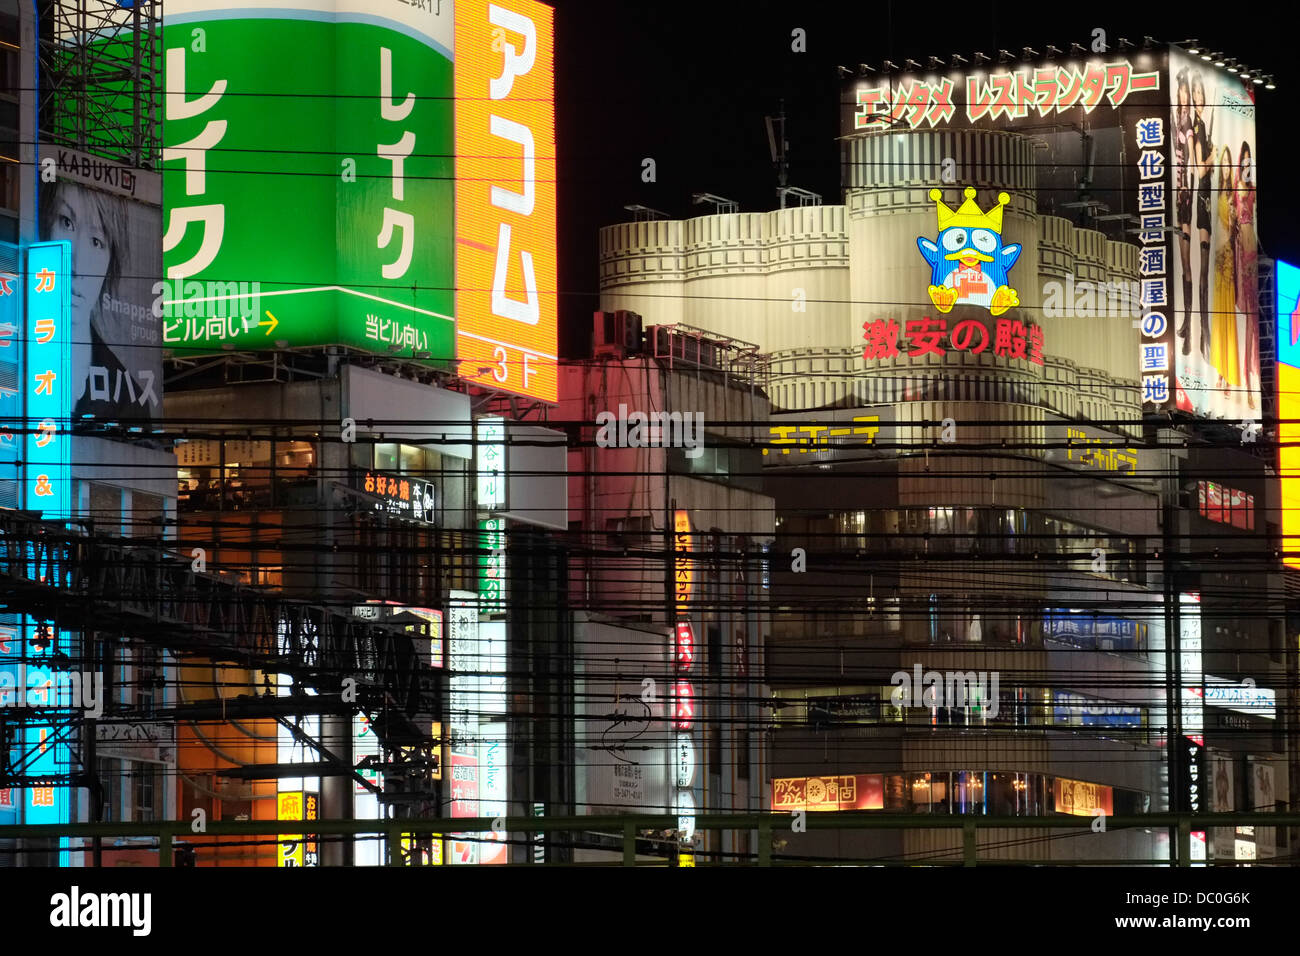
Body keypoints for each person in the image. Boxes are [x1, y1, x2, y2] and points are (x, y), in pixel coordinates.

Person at [38, 180, 149, 423]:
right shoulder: (10, 346)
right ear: (42, 223)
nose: (77, 265)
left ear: (110, 263)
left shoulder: (130, 402)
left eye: (96, 241)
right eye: (66, 222)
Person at [1210, 146, 1240, 396]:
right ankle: (1220, 370)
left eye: (1230, 163)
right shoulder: (1217, 191)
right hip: (1217, 257)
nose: (1228, 166)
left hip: (1229, 257)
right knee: (1219, 315)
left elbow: (1234, 229)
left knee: (1228, 314)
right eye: (1225, 162)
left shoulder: (1233, 195)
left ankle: (1230, 376)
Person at [1191, 73, 1214, 363]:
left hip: (1207, 198)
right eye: (1194, 93)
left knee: (1205, 268)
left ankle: (1205, 329)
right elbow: (1199, 170)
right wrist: (1213, 157)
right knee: (1203, 267)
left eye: (1199, 93)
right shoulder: (1197, 127)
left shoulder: (1203, 124)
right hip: (1201, 197)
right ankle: (1202, 329)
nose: (1197, 97)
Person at [1235, 141, 1259, 408]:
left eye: (1248, 160)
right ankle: (1227, 377)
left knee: (1252, 322)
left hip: (1250, 249)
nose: (1245, 164)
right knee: (1236, 316)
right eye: (1243, 159)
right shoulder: (1235, 187)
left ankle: (1250, 386)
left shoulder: (1253, 191)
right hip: (1237, 250)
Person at [1173, 71, 1195, 354]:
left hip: (1185, 194)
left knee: (1187, 263)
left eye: (1185, 93)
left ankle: (1188, 326)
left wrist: (1186, 187)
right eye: (1181, 93)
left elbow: (1190, 156)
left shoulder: (1187, 121)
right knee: (1183, 263)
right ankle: (1187, 325)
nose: (1183, 97)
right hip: (1179, 195)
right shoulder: (1177, 117)